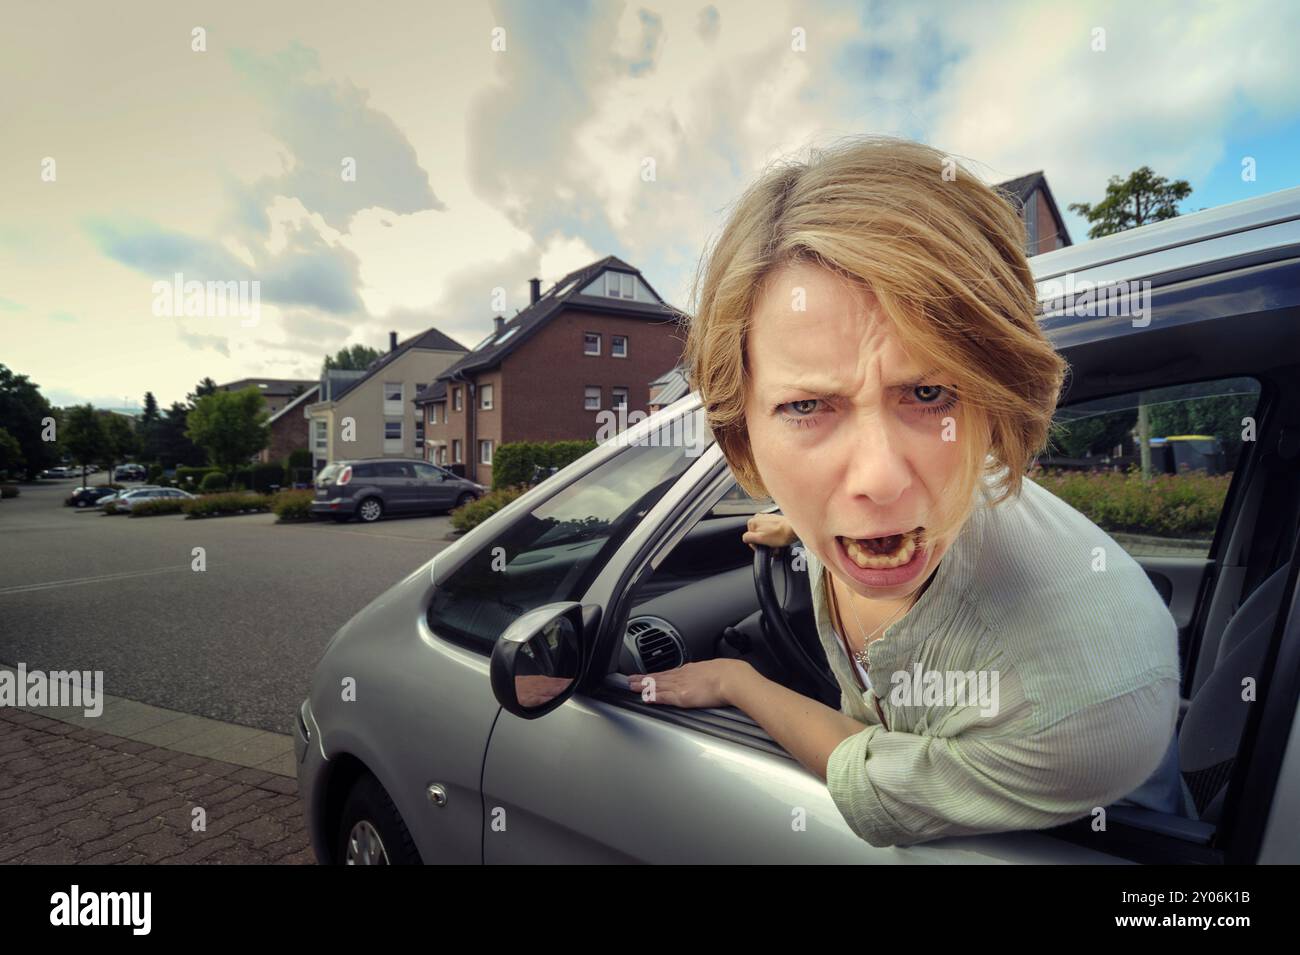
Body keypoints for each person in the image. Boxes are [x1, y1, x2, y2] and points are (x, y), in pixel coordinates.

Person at [627, 136, 1192, 847]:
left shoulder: (1079, 712)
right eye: (807, 408)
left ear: (996, 408)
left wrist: (739, 684)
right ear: (744, 432)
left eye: (930, 393)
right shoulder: (909, 493)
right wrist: (793, 524)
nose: (878, 481)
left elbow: (872, 780)